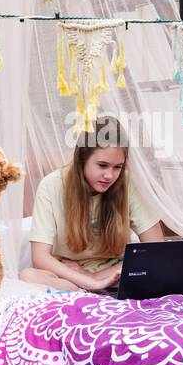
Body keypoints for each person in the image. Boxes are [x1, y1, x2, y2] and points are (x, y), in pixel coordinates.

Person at [20, 115, 163, 291]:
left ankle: (87, 289)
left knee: (163, 265)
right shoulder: (51, 186)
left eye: (117, 167)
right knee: (27, 276)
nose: (110, 175)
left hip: (113, 272)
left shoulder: (125, 183)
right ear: (82, 160)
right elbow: (40, 258)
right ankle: (85, 289)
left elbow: (157, 248)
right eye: (102, 165)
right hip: (68, 273)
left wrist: (96, 277)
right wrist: (87, 280)